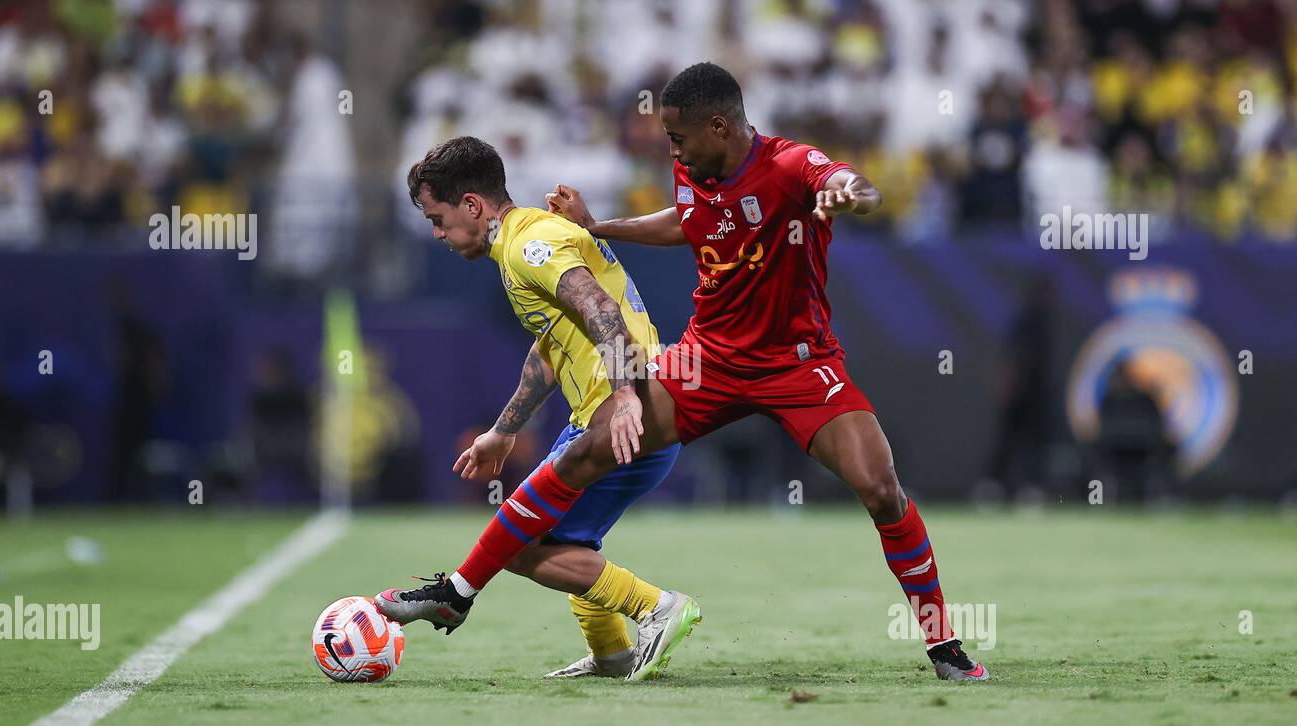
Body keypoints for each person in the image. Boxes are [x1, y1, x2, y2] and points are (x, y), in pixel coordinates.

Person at [383, 63, 987, 682]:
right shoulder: (694, 169)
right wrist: (599, 227)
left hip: (799, 363)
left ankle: (945, 648)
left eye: (677, 138)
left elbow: (856, 186)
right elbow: (689, 221)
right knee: (584, 453)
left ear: (719, 126)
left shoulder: (787, 165)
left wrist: (847, 194)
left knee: (881, 488)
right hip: (709, 358)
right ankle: (463, 591)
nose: (671, 149)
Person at [377, 137, 699, 681]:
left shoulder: (531, 245)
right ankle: (613, 653)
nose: (437, 233)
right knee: (565, 541)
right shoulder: (521, 245)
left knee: (524, 547)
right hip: (608, 410)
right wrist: (505, 430)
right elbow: (552, 347)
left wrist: (623, 395)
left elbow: (598, 307)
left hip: (619, 412)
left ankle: (658, 608)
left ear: (473, 205)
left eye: (439, 217)